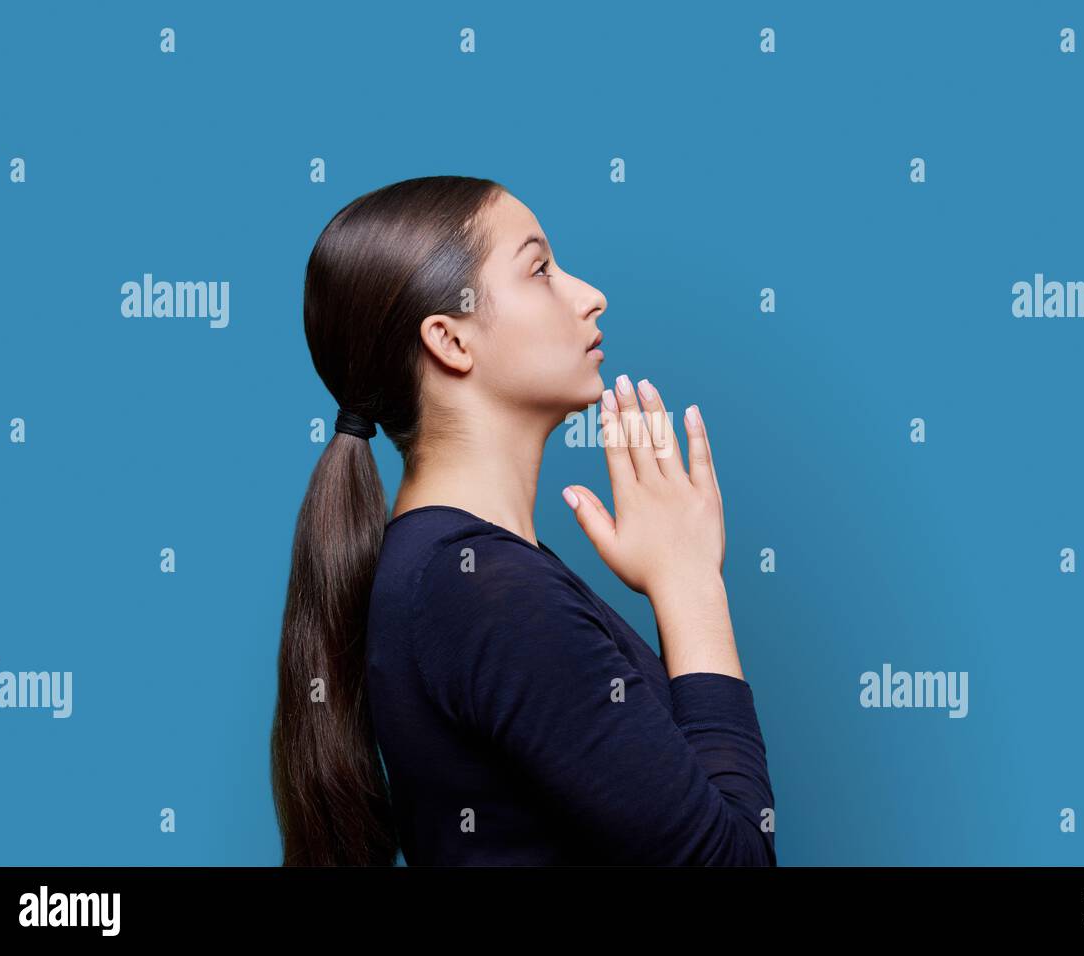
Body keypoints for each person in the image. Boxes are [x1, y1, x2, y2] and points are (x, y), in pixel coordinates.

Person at [271, 175, 775, 865]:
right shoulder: (481, 591)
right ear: (450, 340)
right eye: (539, 269)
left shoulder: (460, 574)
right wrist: (690, 584)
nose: (588, 294)